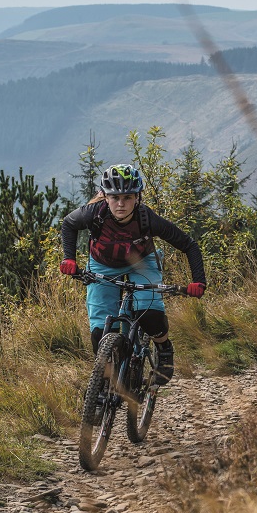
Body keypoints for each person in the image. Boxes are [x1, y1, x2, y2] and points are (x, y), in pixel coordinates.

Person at [59, 163, 206, 384]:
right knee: (100, 333)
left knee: (149, 313)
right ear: (105, 197)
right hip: (102, 265)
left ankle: (164, 348)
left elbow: (189, 245)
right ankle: (105, 384)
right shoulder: (93, 213)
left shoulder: (147, 219)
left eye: (127, 197)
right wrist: (69, 258)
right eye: (115, 197)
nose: (121, 203)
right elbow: (68, 225)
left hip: (142, 264)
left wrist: (199, 282)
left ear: (137, 197)